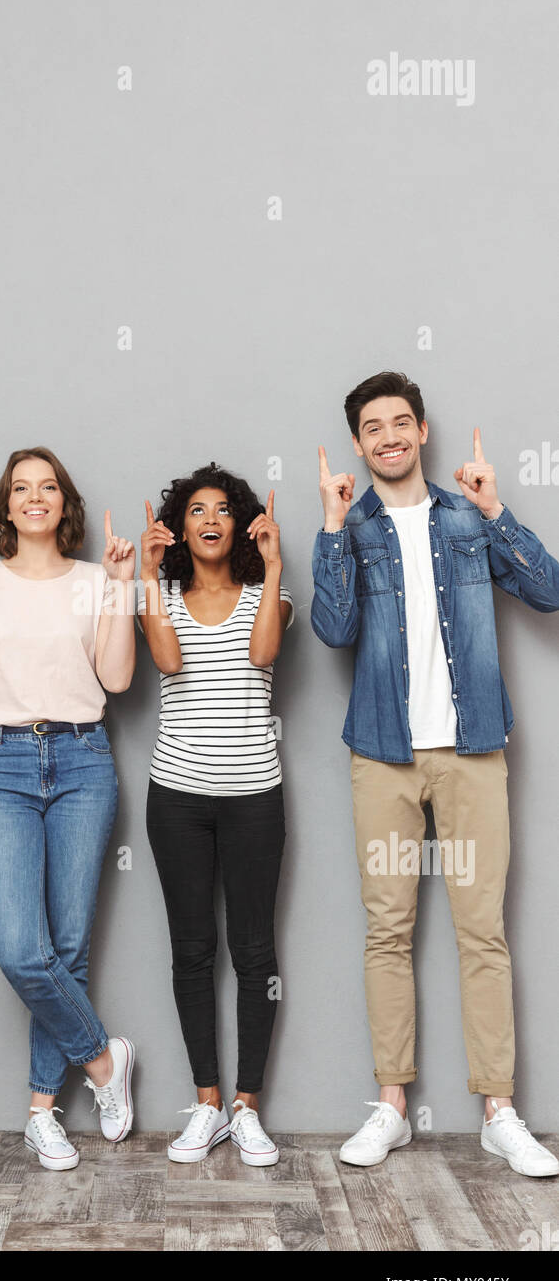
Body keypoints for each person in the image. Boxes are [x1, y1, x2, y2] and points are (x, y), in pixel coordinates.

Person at [312, 371, 559, 1176]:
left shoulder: (465, 517)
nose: (388, 436)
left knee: (481, 930)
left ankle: (498, 1112)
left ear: (422, 430)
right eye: (372, 427)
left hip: (473, 750)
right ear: (359, 442)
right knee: (388, 929)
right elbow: (333, 626)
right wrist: (330, 526)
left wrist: (496, 509)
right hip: (383, 753)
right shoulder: (356, 526)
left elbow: (548, 591)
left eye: (400, 422)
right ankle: (391, 1107)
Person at [0, 447, 136, 1171]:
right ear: (6, 505)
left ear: (65, 502)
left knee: (70, 946)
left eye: (47, 486)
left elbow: (114, 679)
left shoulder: (94, 580)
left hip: (84, 758)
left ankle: (41, 1113)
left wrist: (120, 588)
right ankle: (104, 1060)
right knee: (23, 947)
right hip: (4, 763)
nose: (35, 497)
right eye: (21, 488)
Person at [138, 462, 293, 1166]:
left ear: (240, 524)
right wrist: (145, 577)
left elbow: (263, 653)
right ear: (180, 525)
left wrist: (274, 565)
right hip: (178, 798)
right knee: (192, 950)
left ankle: (247, 1109)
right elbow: (168, 663)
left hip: (255, 797)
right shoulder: (163, 592)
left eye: (223, 509)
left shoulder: (269, 594)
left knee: (255, 951)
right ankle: (206, 1103)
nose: (210, 518)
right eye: (196, 508)